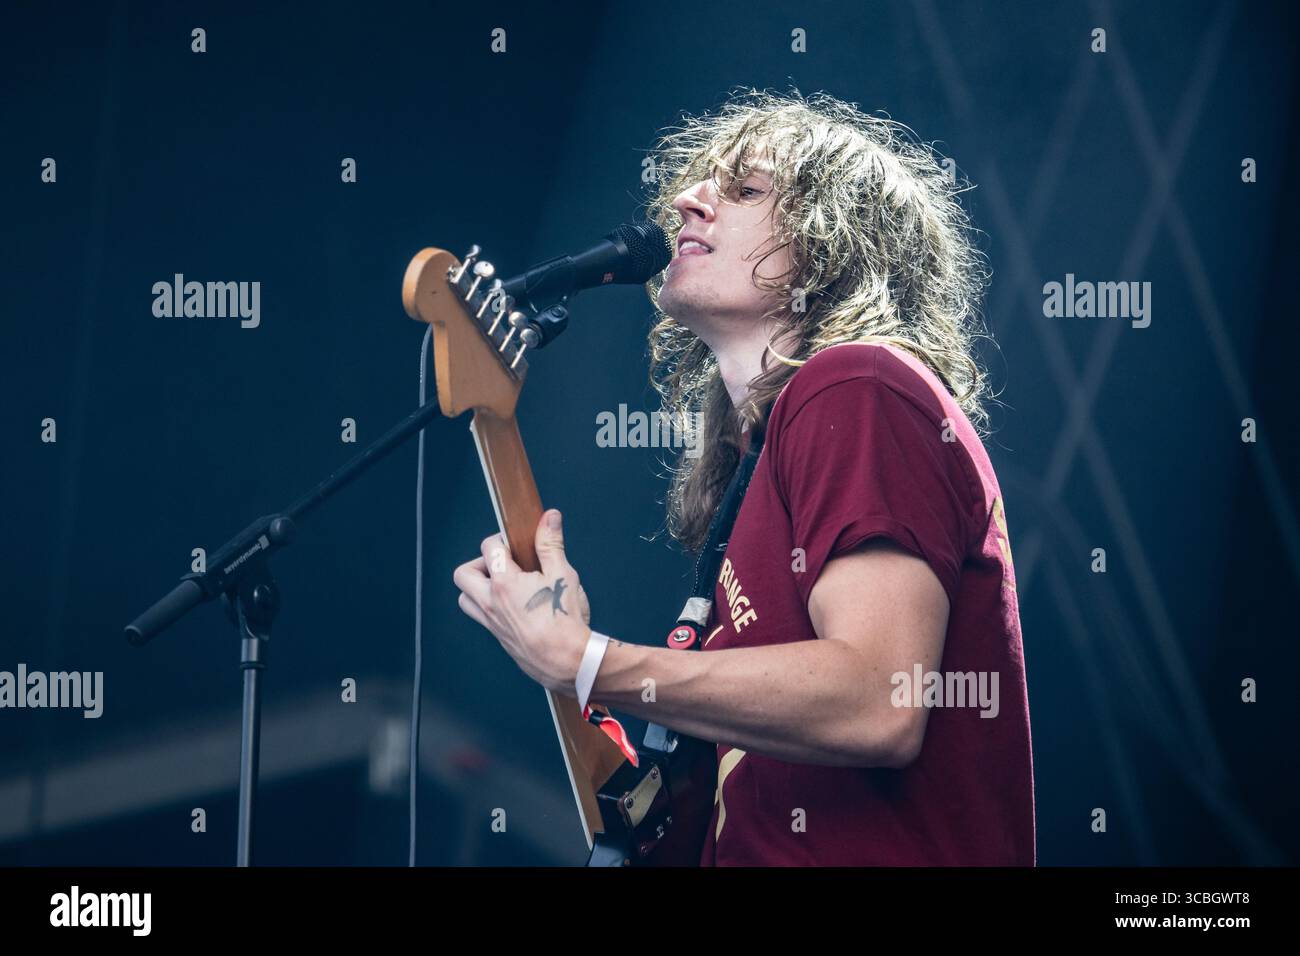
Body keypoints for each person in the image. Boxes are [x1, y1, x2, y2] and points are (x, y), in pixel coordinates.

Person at [453, 89, 1034, 866]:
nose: (688, 201)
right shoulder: (767, 457)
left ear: (833, 241)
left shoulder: (858, 384)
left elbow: (878, 701)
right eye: (699, 185)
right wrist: (577, 677)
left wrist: (589, 660)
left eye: (745, 189)